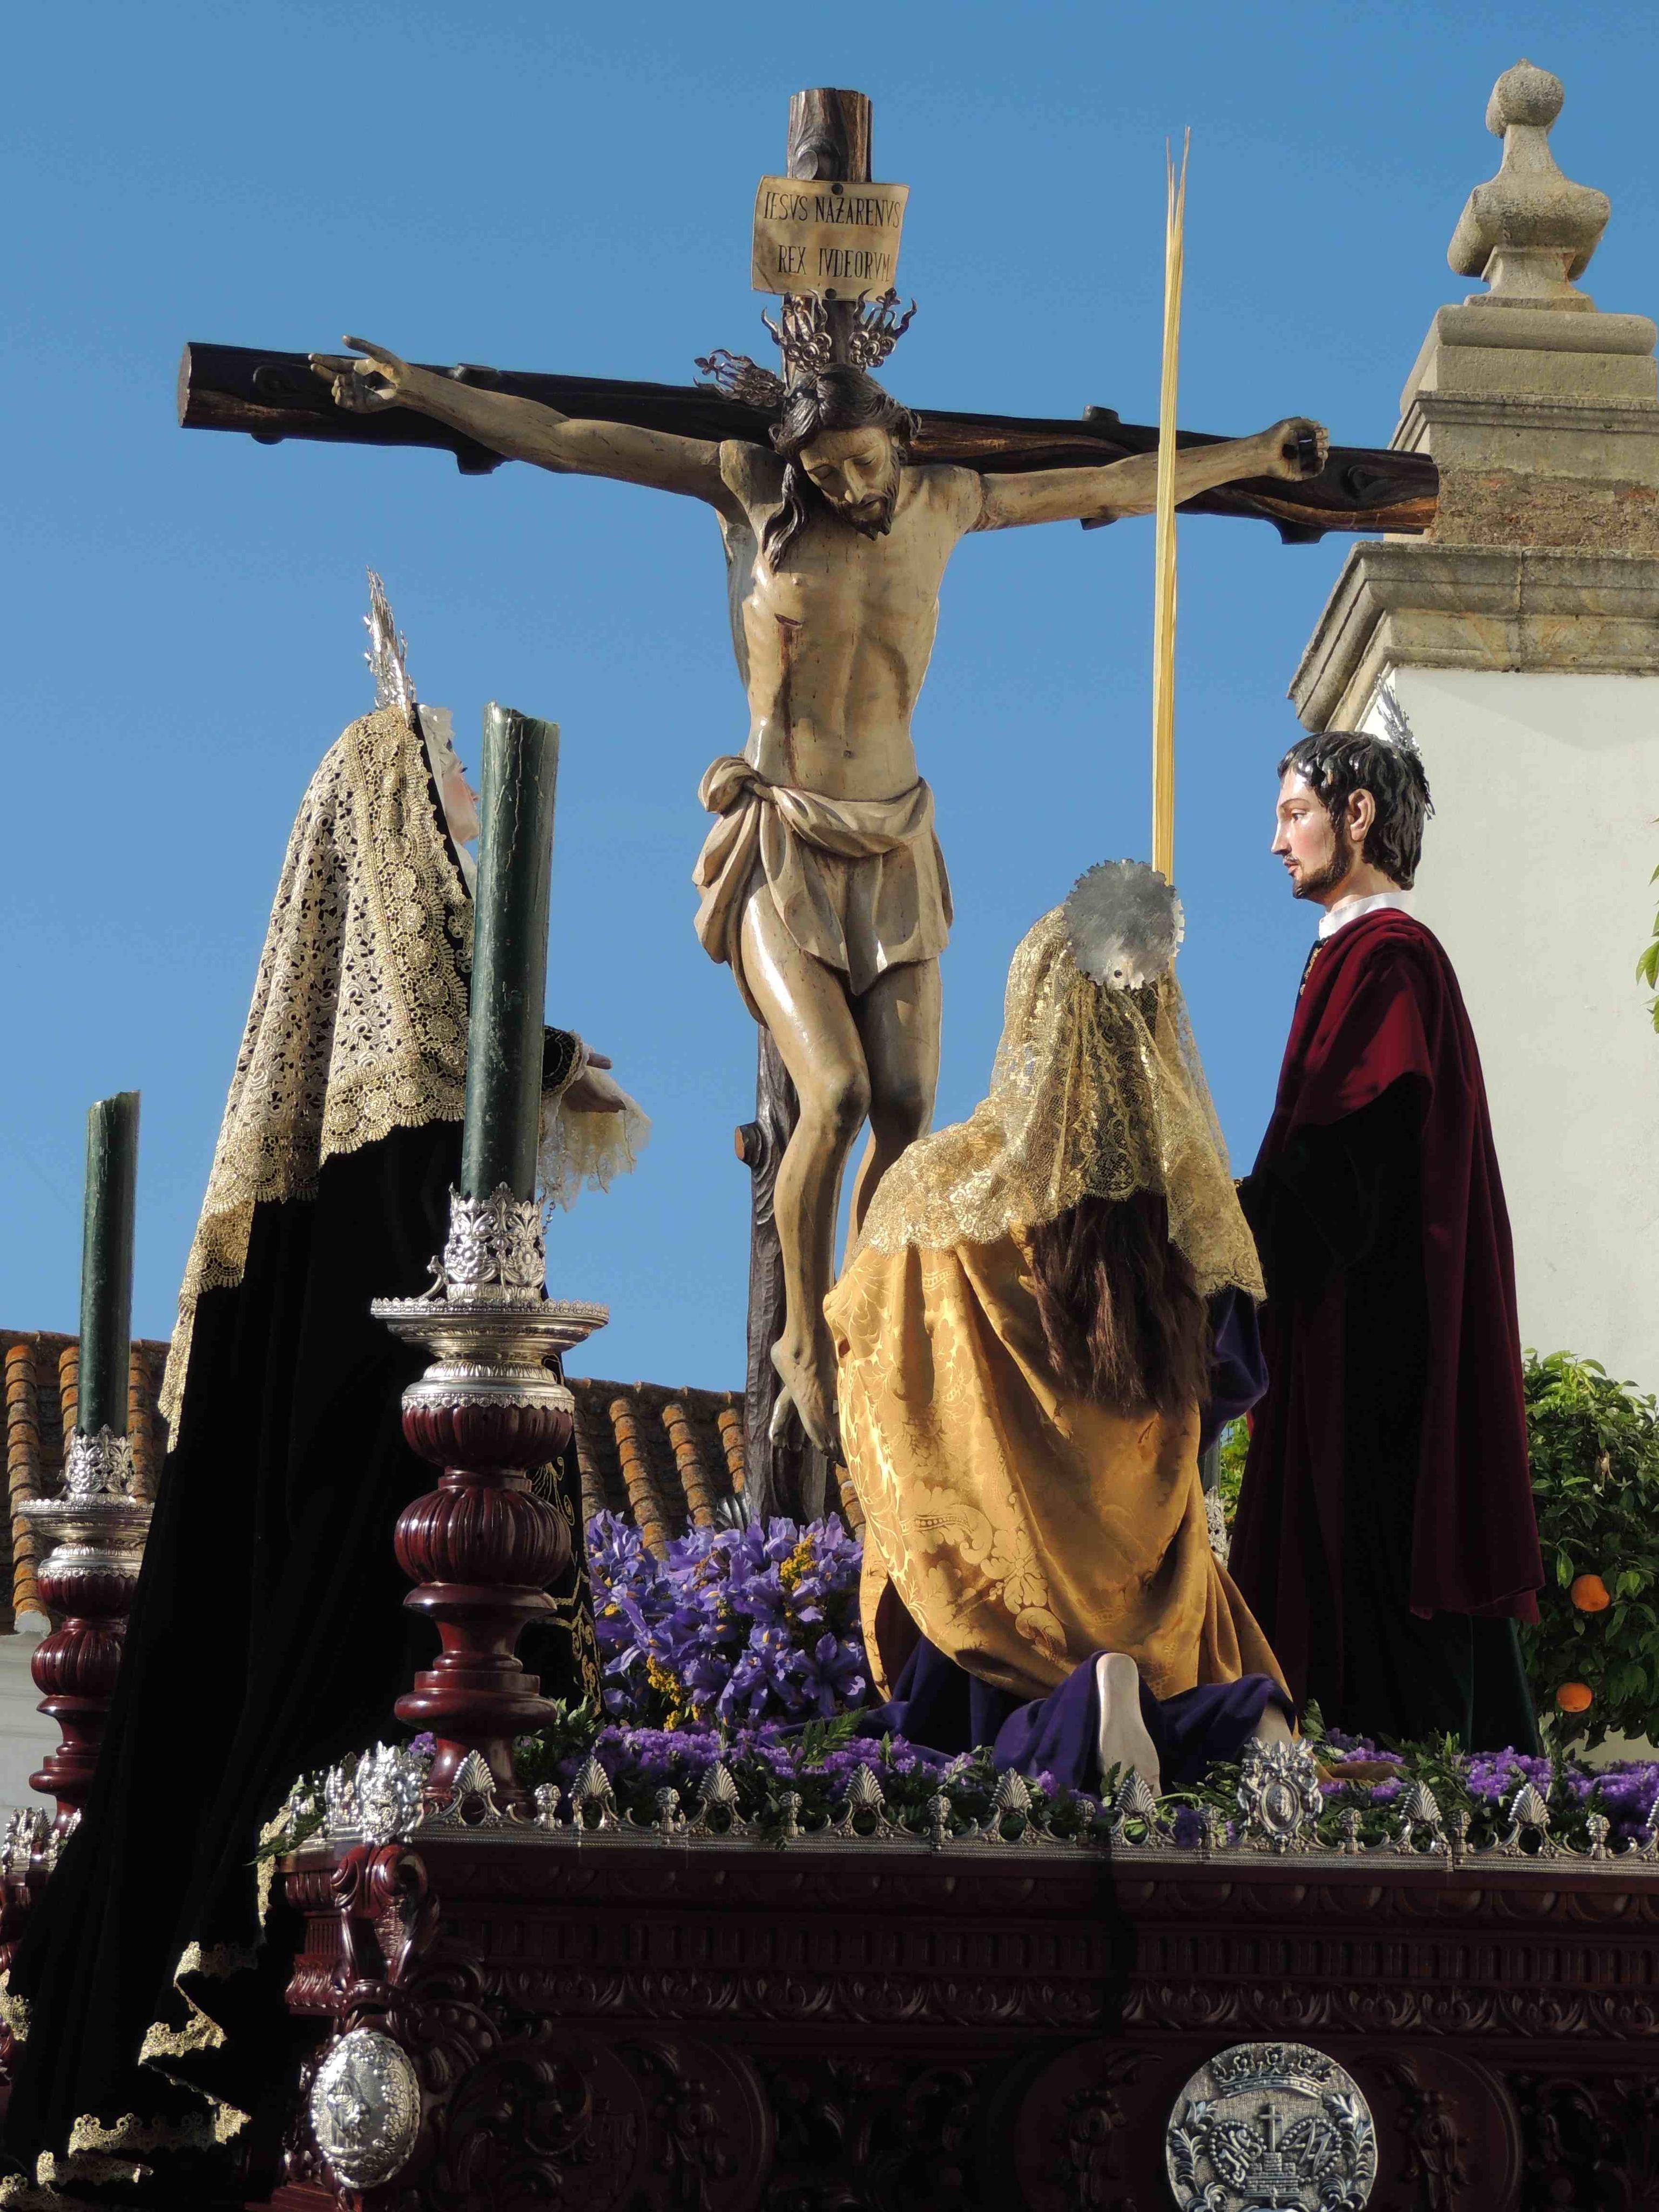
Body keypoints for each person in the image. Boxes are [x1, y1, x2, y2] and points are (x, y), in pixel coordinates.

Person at [311, 323, 1328, 1459]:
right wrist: (425, 390)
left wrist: (1243, 457)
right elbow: (568, 439)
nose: (850, 486)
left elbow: (1107, 482)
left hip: (896, 842)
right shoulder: (749, 491)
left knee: (907, 1106)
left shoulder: (949, 502)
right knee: (835, 1095)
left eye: (863, 461)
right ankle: (802, 1332)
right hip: (782, 834)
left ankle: (861, 1301)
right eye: (827, 471)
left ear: (899, 439)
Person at [0, 698, 643, 2206]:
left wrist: (532, 1063)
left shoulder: (399, 1043)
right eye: (447, 771)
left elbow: (456, 1067)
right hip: (369, 1471)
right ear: (397, 814)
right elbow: (433, 1113)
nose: (475, 790)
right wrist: (526, 1072)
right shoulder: (381, 1078)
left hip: (404, 1453)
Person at [825, 868, 1292, 1797]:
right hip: (1150, 1597)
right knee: (1202, 1709)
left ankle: (1078, 1709)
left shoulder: (935, 1190)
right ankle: (1240, 1718)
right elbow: (1235, 1380)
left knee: (968, 1753)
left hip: (996, 1613)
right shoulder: (1188, 1220)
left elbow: (866, 1360)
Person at [1229, 718, 1543, 1753]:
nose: (1278, 841)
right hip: (1346, 1340)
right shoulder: (1360, 961)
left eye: (1294, 814)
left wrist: (1212, 1230)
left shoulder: (1389, 960)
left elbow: (1344, 1161)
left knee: (1373, 1576)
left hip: (1372, 1363)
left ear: (1355, 817)